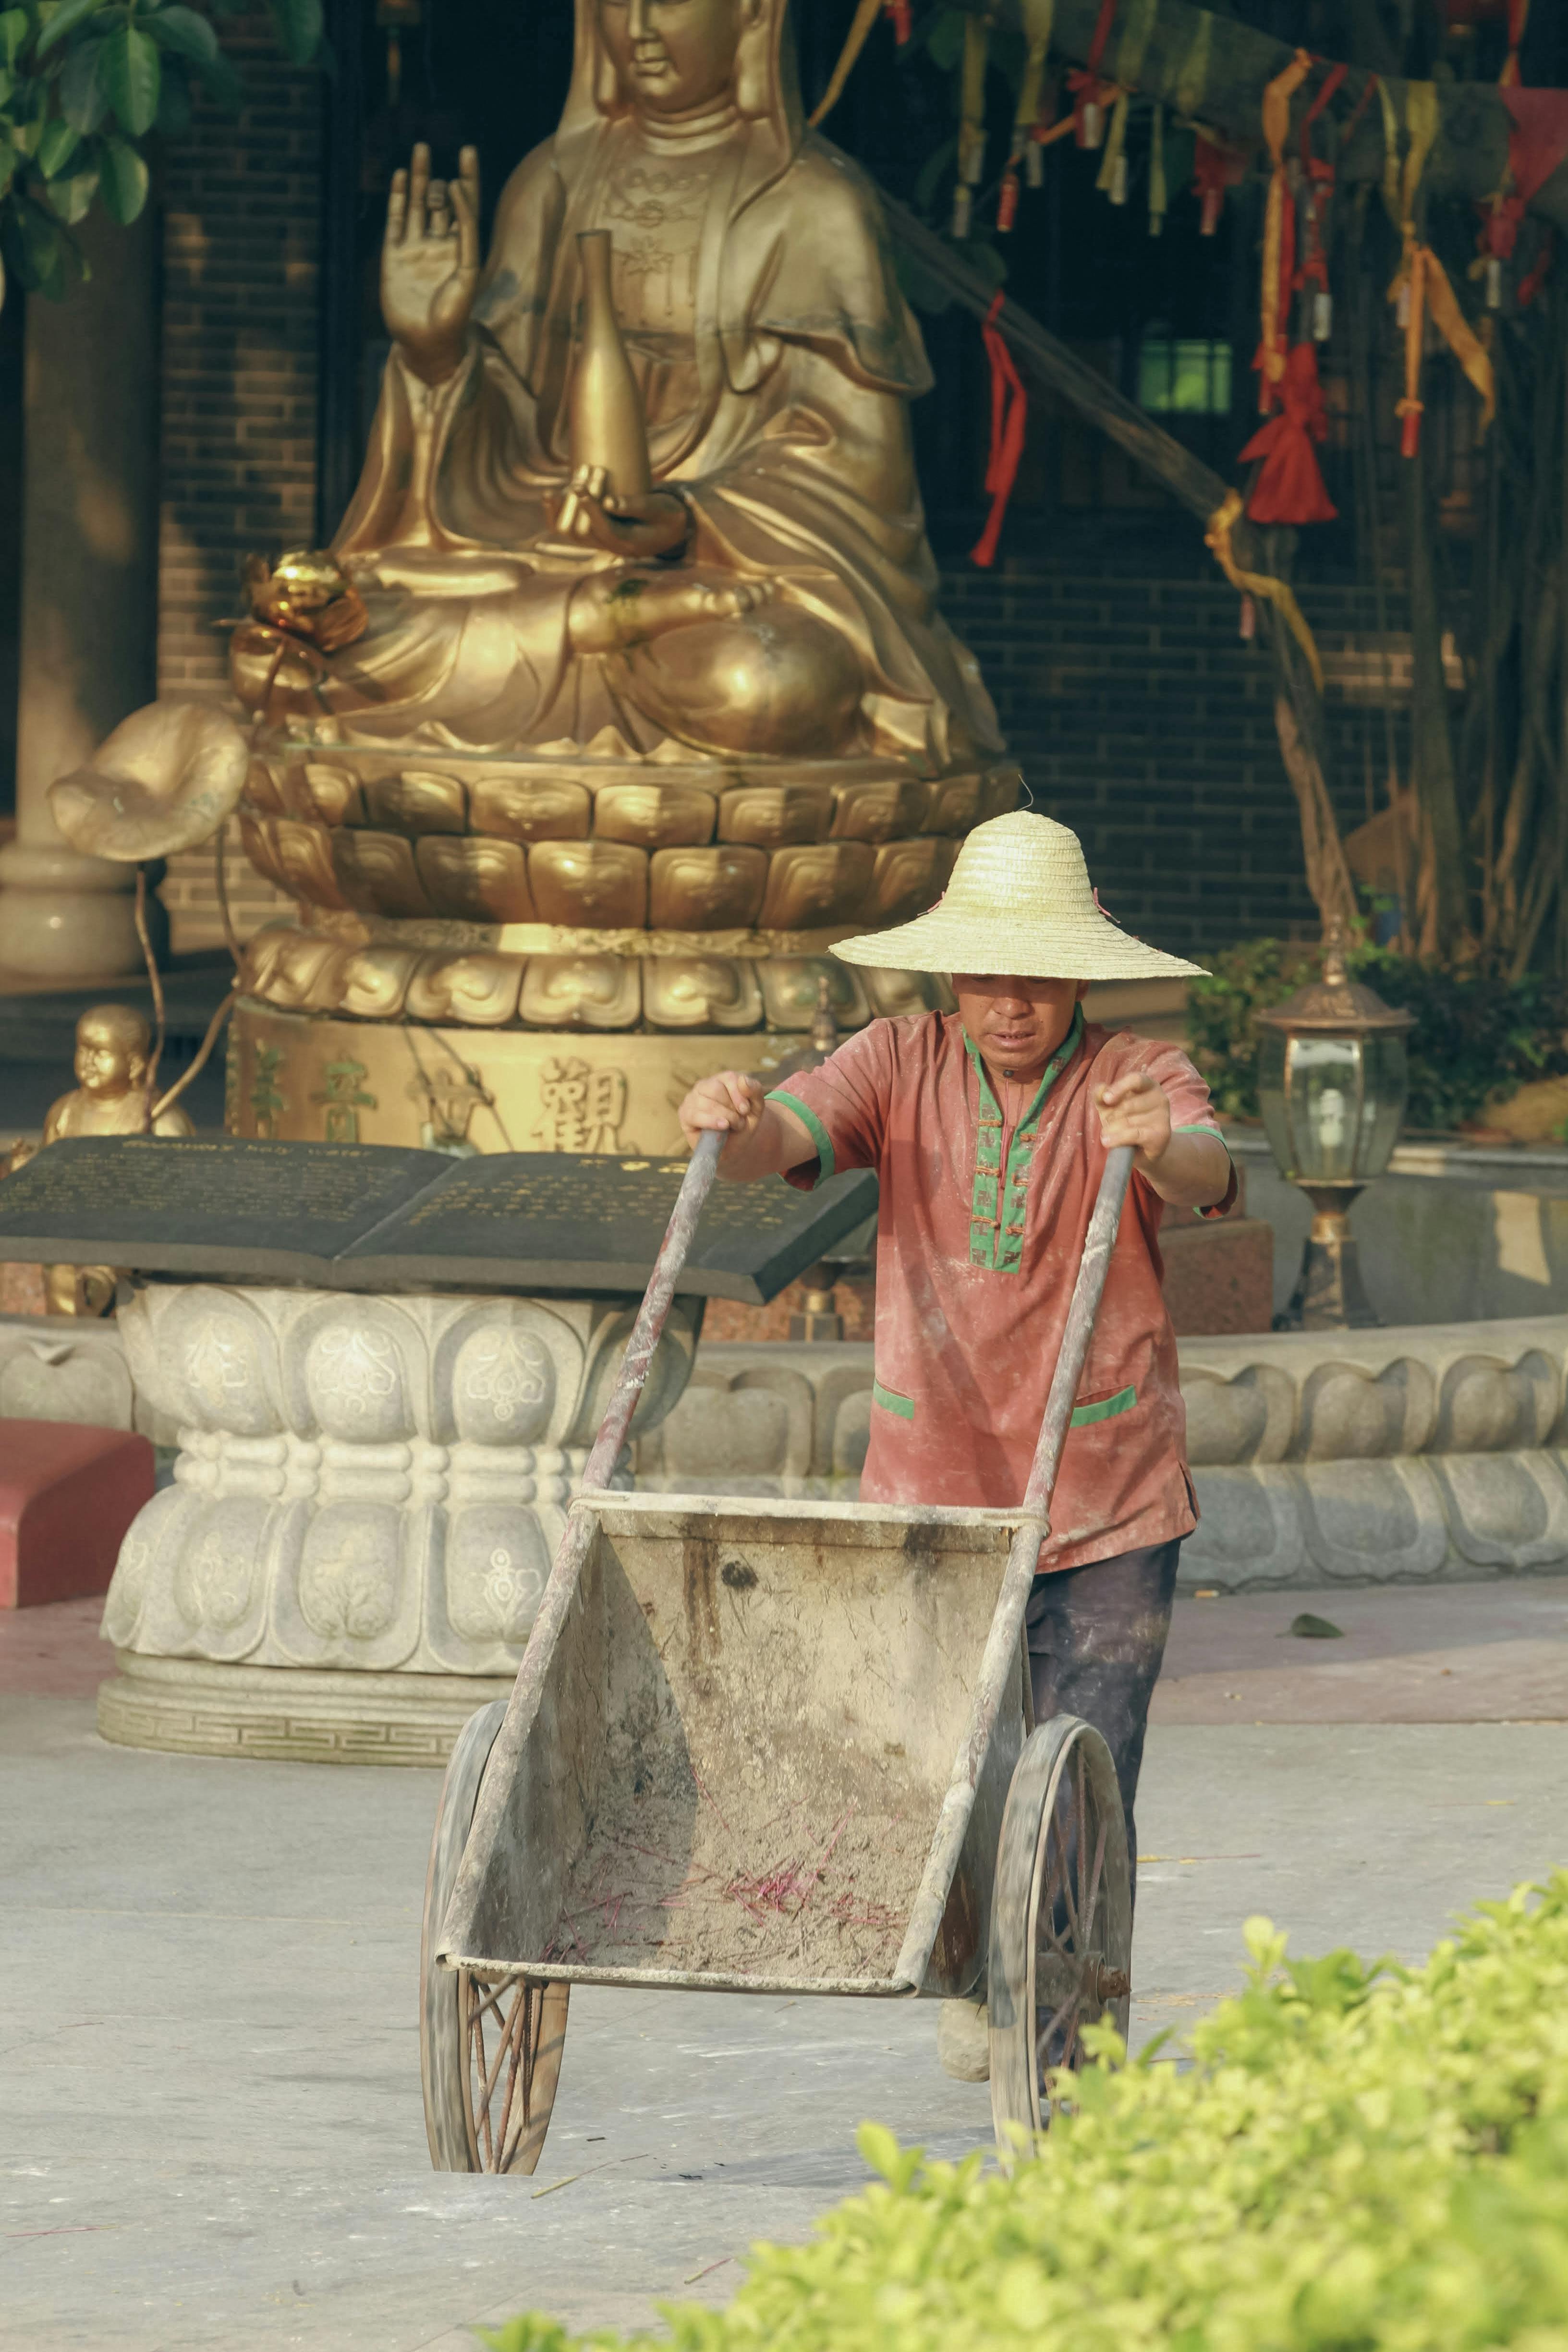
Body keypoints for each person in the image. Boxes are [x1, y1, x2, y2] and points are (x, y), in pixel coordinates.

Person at [676, 810, 1234, 2078]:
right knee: (950, 1771)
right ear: (950, 973)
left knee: (1089, 1773)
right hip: (935, 1488)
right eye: (985, 973)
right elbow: (782, 1139)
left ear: (1077, 977)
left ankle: (1073, 2041)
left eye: (1035, 976)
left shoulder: (1131, 1073)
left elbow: (1206, 1167)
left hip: (1107, 1495)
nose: (1009, 1002)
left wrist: (1157, 1145)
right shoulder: (895, 1060)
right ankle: (982, 1969)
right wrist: (732, 1113)